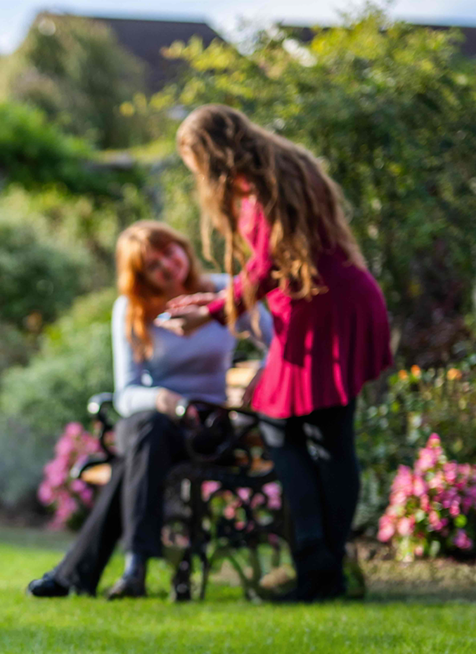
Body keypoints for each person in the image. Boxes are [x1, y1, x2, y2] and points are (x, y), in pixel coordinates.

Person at [163, 105, 393, 602]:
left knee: (298, 430)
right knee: (319, 439)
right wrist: (217, 301)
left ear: (210, 154)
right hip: (326, 308)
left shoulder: (264, 185)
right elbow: (272, 269)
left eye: (194, 162)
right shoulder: (281, 167)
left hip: (326, 315)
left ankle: (318, 569)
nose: (197, 175)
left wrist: (210, 314)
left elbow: (265, 267)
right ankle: (322, 570)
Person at [27, 221, 272, 599]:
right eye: (154, 265)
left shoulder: (223, 291)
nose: (168, 266)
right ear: (141, 277)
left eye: (169, 252)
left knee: (137, 452)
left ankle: (95, 572)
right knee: (147, 428)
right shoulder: (131, 310)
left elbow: (276, 342)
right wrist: (162, 399)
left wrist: (261, 378)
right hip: (153, 421)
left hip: (207, 428)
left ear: (182, 247)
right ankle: (130, 566)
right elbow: (126, 393)